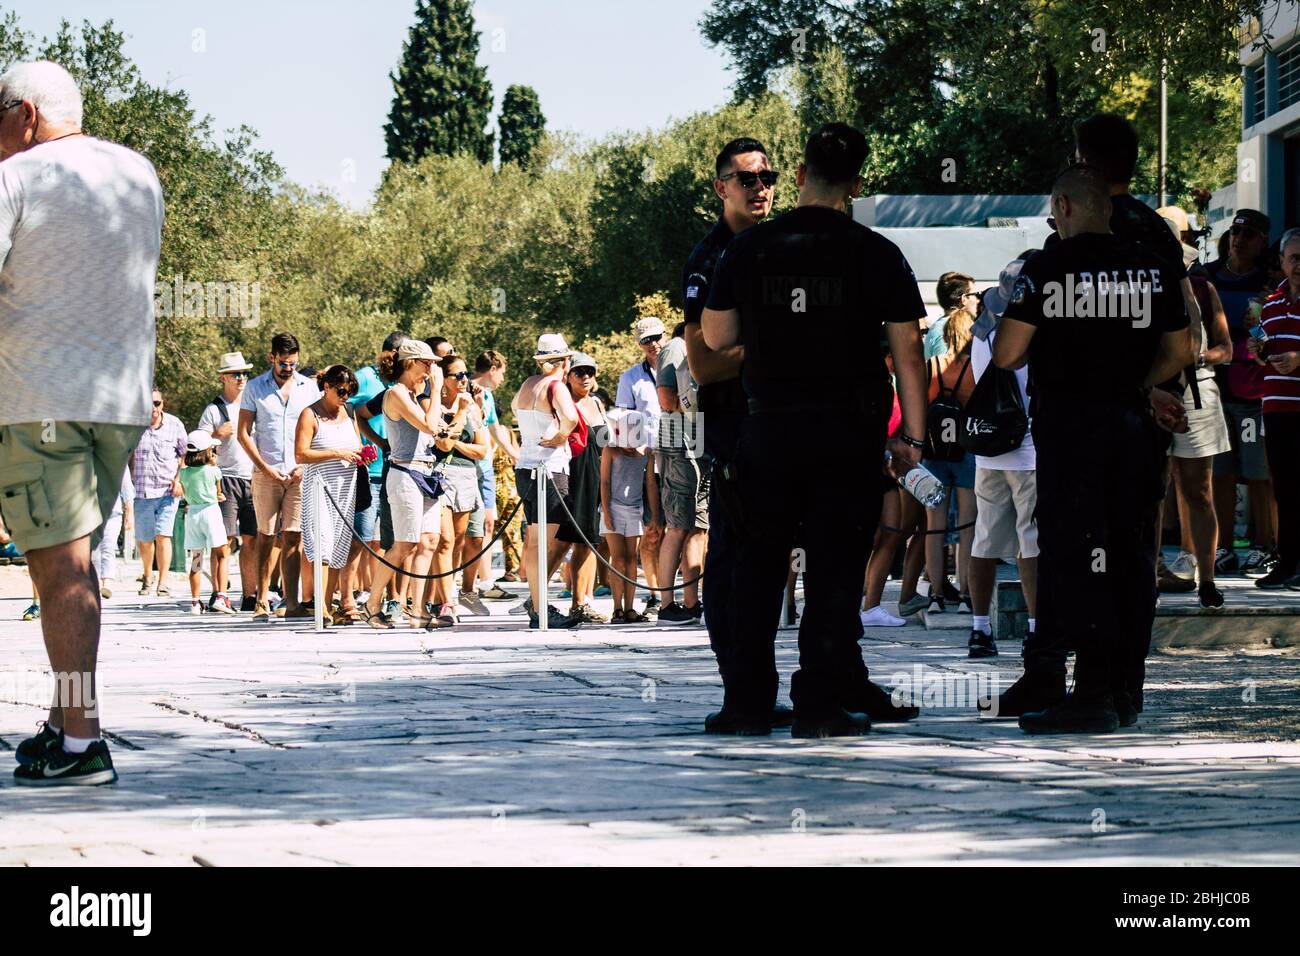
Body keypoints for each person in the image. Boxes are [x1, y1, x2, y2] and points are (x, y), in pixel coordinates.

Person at [702, 122, 928, 737]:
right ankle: (820, 704)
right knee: (834, 570)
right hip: (847, 433)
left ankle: (747, 703)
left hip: (769, 430)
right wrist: (912, 436)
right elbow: (909, 353)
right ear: (856, 182)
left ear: (798, 176)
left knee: (757, 567)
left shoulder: (747, 250)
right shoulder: (877, 252)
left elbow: (718, 336)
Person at [1, 60, 163, 786]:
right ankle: (65, 722)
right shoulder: (138, 174)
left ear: (25, 113)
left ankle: (79, 743)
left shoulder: (19, 176)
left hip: (41, 400)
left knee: (60, 571)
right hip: (119, 400)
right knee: (74, 564)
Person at [991, 164, 1192, 732]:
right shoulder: (1153, 268)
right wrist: (1135, 384)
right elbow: (1182, 350)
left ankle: (1093, 691)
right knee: (1130, 557)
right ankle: (1127, 688)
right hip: (1134, 430)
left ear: (1065, 205)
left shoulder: (1047, 266)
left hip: (1071, 431)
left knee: (1079, 556)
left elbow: (1007, 354)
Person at [682, 136, 778, 684]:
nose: (760, 188)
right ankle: (742, 686)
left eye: (766, 177)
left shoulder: (779, 244)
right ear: (722, 188)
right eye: (747, 179)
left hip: (780, 424)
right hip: (735, 430)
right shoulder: (711, 256)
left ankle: (774, 680)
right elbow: (703, 365)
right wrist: (783, 346)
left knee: (772, 557)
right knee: (735, 556)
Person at [1193, 210, 1277, 576]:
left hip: (1254, 393)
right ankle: (1223, 547)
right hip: (1214, 388)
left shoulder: (1271, 283)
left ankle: (1265, 546)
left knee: (1260, 473)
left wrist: (1258, 326)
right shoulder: (1206, 276)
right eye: (1236, 231)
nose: (1240, 238)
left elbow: (1273, 341)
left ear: (1262, 241)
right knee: (1220, 473)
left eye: (1250, 233)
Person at [966, 259, 1039, 663]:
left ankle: (979, 629)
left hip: (989, 449)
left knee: (984, 540)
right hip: (1029, 450)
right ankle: (1034, 628)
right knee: (1032, 543)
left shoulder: (982, 334)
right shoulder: (1030, 334)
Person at [360, 340, 446, 629]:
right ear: (410, 363)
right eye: (427, 363)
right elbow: (430, 426)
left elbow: (435, 432)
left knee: (429, 541)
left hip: (426, 473)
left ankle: (418, 610)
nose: (432, 369)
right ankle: (372, 604)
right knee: (404, 543)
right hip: (405, 473)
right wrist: (436, 390)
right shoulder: (397, 393)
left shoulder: (413, 393)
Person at [238, 332, 323, 622]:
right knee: (265, 534)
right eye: (283, 363)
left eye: (293, 364)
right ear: (272, 357)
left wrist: (304, 465)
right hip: (267, 471)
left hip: (299, 472)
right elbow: (243, 433)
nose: (288, 369)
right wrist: (263, 467)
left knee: (294, 536)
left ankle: (293, 600)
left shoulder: (309, 388)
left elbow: (316, 428)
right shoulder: (254, 387)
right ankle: (261, 599)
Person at [1167, 270, 1233, 607]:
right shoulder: (1132, 282)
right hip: (1149, 390)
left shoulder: (1200, 287)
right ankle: (1148, 576)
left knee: (1199, 490)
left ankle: (1206, 578)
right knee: (1149, 493)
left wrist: (1199, 357)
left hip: (1197, 388)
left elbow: (1226, 348)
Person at [513, 334, 582, 629]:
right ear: (565, 362)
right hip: (549, 469)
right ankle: (541, 610)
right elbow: (570, 419)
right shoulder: (556, 386)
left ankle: (538, 606)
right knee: (542, 544)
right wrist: (560, 436)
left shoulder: (528, 384)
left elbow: (517, 412)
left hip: (525, 466)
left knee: (533, 543)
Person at [920, 273, 979, 613]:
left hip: (933, 449)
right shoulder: (974, 369)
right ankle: (968, 592)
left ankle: (936, 594)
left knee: (934, 525)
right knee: (968, 523)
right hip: (967, 447)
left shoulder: (934, 365)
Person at [1248, 229, 1300, 589]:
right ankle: (1288, 563)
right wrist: (1259, 351)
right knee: (1284, 488)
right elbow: (1264, 354)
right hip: (1277, 408)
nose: (1299, 265)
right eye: (1293, 258)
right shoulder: (1270, 304)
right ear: (1281, 262)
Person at [296, 364, 364, 625]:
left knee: (338, 547)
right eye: (342, 391)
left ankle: (326, 605)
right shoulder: (310, 415)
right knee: (322, 545)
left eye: (350, 392)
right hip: (319, 487)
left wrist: (363, 456)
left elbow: (356, 446)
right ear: (326, 387)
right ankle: (318, 609)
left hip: (345, 486)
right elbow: (301, 454)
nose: (345, 397)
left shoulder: (348, 412)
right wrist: (336, 453)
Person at [428, 353, 489, 626]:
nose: (465, 380)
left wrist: (456, 442)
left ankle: (446, 594)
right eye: (458, 375)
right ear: (444, 379)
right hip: (439, 476)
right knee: (445, 541)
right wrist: (461, 412)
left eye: (466, 374)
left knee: (460, 541)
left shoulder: (474, 407)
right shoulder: (433, 405)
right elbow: (440, 444)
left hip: (466, 475)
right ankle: (446, 602)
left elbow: (482, 449)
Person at [655, 323, 708, 625]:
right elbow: (666, 397)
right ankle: (665, 605)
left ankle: (691, 602)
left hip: (700, 443)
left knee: (698, 526)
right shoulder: (676, 346)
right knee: (677, 525)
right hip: (680, 441)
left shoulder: (696, 349)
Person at [198, 351, 258, 611]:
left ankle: (250, 595)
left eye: (245, 373)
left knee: (252, 539)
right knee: (223, 541)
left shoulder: (253, 403)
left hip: (253, 477)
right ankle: (219, 594)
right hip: (224, 479)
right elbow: (195, 450)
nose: (242, 378)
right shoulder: (213, 410)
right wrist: (215, 434)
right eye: (236, 374)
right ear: (223, 377)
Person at [618, 317, 666, 617]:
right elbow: (624, 419)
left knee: (685, 530)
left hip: (681, 457)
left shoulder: (683, 368)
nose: (654, 344)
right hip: (646, 461)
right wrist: (638, 450)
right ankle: (656, 594)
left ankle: (678, 593)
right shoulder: (631, 378)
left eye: (657, 337)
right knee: (652, 531)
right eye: (647, 339)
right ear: (640, 344)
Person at [557, 352, 609, 623]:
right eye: (579, 372)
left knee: (590, 539)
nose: (586, 376)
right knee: (570, 537)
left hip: (599, 473)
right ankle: (548, 597)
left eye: (590, 371)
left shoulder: (598, 404)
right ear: (569, 376)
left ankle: (583, 600)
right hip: (577, 472)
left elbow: (605, 442)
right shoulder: (566, 403)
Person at [468, 350, 518, 603]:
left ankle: (486, 581)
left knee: (489, 522)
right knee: (467, 529)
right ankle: (466, 583)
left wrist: (516, 455)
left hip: (485, 467)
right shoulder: (465, 388)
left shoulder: (487, 395)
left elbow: (495, 429)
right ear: (493, 368)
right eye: (502, 373)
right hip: (467, 466)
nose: (502, 380)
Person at [131, 388, 187, 597]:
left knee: (164, 535)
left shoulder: (175, 425)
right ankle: (147, 576)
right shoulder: (134, 427)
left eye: (157, 403)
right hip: (141, 491)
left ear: (162, 404)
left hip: (167, 492)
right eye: (149, 404)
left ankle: (163, 581)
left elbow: (184, 455)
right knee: (145, 540)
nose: (154, 408)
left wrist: (179, 480)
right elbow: (127, 457)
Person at [601, 408, 651, 623]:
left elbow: (650, 484)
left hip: (635, 509)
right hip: (613, 506)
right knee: (617, 558)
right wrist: (607, 511)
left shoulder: (644, 453)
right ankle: (617, 607)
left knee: (632, 559)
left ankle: (630, 607)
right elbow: (604, 482)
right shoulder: (610, 450)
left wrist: (654, 516)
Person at [179, 431, 233, 615]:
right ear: (206, 451)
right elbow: (218, 493)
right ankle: (221, 596)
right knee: (222, 553)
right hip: (210, 511)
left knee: (196, 560)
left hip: (192, 513)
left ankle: (195, 602)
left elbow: (187, 493)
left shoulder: (183, 473)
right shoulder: (214, 471)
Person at [93, 466, 133, 601]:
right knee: (94, 550)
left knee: (108, 546)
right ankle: (96, 582)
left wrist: (129, 512)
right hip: (90, 511)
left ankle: (107, 582)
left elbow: (126, 486)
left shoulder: (117, 456)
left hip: (113, 512)